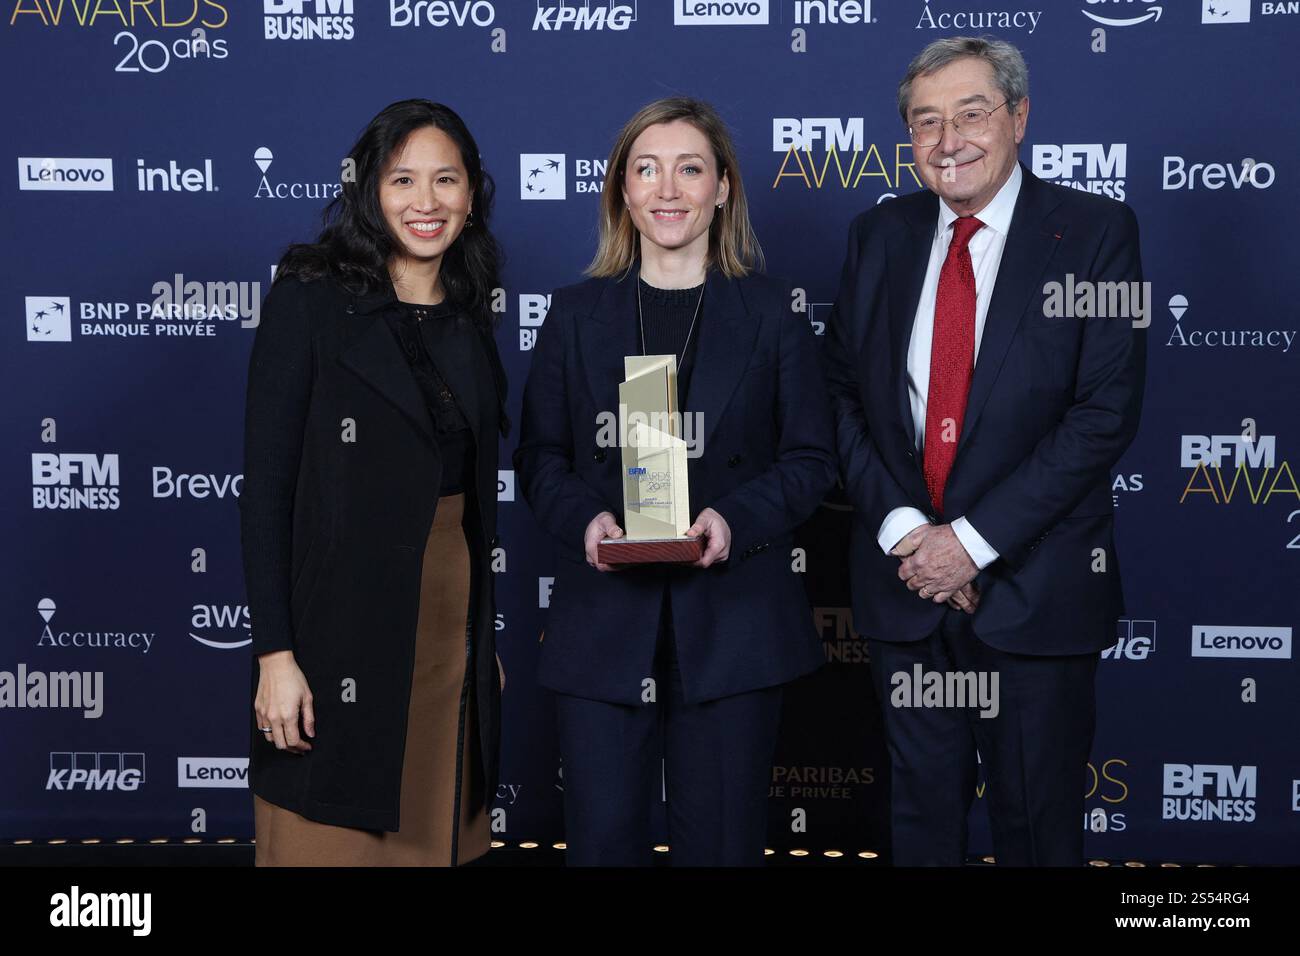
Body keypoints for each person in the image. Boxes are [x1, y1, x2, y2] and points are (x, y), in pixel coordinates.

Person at [823, 37, 1146, 866]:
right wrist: (908, 534)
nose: (948, 139)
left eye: (972, 113)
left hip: (1036, 594)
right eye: (925, 122)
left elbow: (1103, 413)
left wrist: (965, 546)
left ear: (1019, 118)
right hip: (907, 592)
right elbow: (842, 397)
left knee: (1038, 831)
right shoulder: (878, 235)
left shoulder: (1098, 232)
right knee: (918, 829)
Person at [514, 97, 836, 866]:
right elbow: (540, 457)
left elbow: (811, 460)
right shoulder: (573, 314)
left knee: (722, 848)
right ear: (622, 190)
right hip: (602, 631)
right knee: (601, 848)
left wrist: (733, 518)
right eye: (647, 169)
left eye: (690, 168)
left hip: (734, 629)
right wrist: (586, 521)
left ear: (722, 187)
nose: (668, 188)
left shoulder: (772, 314)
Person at [240, 99, 509, 867]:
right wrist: (275, 656)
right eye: (403, 181)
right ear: (368, 191)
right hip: (333, 631)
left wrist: (480, 639)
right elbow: (265, 490)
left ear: (471, 194)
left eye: (446, 181)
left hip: (449, 624)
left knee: (433, 830)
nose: (426, 203)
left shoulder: (467, 315)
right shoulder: (310, 301)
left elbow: (474, 502)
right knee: (332, 837)